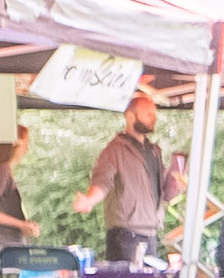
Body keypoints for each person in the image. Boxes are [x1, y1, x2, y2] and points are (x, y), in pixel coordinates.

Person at [74, 88, 180, 265]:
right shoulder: (115, 150)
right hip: (125, 235)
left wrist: (178, 181)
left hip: (151, 234)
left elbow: (166, 194)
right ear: (129, 116)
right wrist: (90, 200)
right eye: (147, 113)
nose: (153, 117)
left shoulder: (153, 151)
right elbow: (103, 181)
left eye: (154, 113)